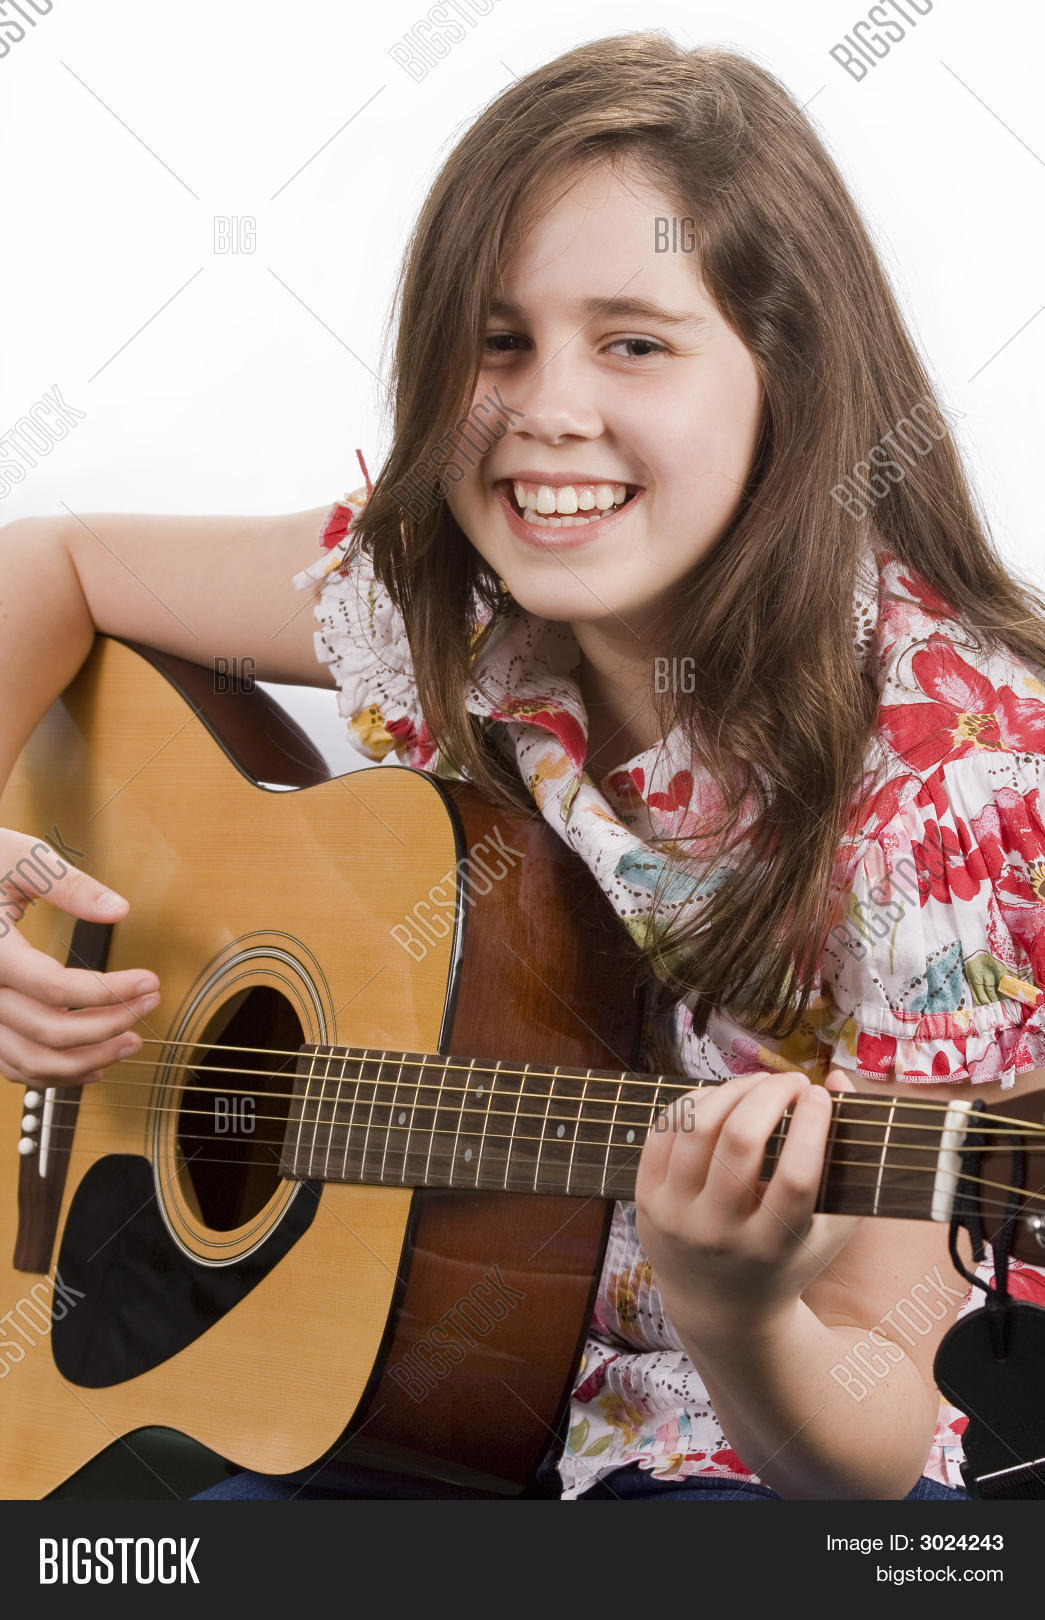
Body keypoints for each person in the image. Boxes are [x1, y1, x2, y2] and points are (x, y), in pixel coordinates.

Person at [2, 31, 1045, 1503]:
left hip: (731, 1457)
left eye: (632, 341)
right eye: (499, 342)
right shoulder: (436, 599)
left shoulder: (950, 777)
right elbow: (52, 561)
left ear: (788, 373)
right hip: (411, 1382)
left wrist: (735, 1309)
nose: (547, 408)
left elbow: (872, 1441)